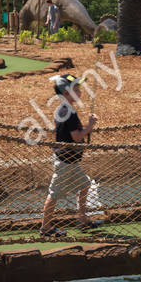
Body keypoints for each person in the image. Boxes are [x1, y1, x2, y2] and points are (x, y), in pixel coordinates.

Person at [40, 74, 99, 236]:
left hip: (71, 160)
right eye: (76, 89)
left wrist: (86, 127)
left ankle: (81, 218)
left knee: (85, 185)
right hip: (65, 161)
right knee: (54, 194)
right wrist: (90, 126)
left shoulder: (65, 109)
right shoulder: (68, 112)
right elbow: (77, 137)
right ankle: (45, 228)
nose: (80, 92)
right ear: (66, 93)